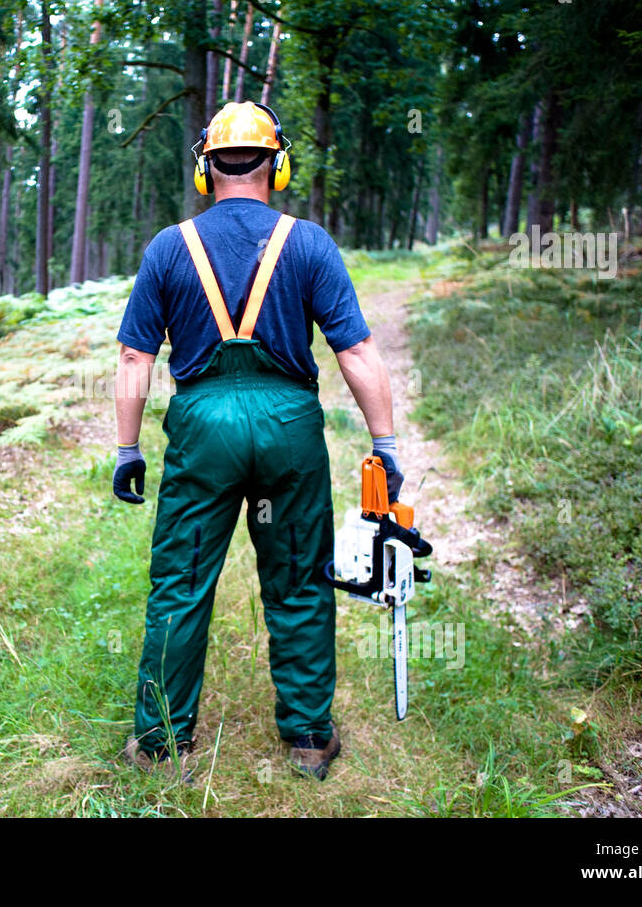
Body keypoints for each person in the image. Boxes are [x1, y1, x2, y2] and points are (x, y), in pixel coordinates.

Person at [111, 101, 403, 781]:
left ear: (205, 171)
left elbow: (134, 359)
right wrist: (384, 444)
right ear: (278, 165)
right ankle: (307, 741)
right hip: (288, 428)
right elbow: (355, 350)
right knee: (299, 580)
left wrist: (128, 449)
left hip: (204, 429)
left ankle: (160, 746)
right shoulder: (307, 244)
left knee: (180, 587)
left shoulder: (168, 247)